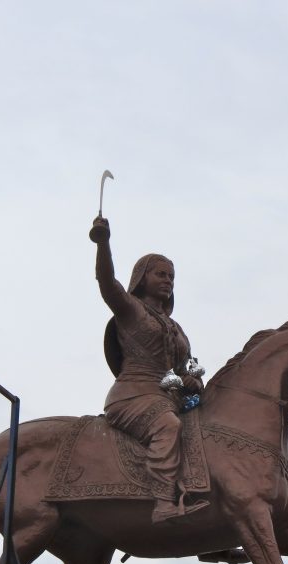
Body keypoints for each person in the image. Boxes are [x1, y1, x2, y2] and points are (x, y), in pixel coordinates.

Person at [89, 216, 208, 524]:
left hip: (169, 398)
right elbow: (107, 283)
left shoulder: (176, 328)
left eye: (172, 276)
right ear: (143, 278)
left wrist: (191, 380)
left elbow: (181, 369)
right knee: (168, 426)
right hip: (133, 396)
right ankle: (164, 503)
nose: (168, 280)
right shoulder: (131, 310)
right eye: (161, 274)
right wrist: (103, 243)